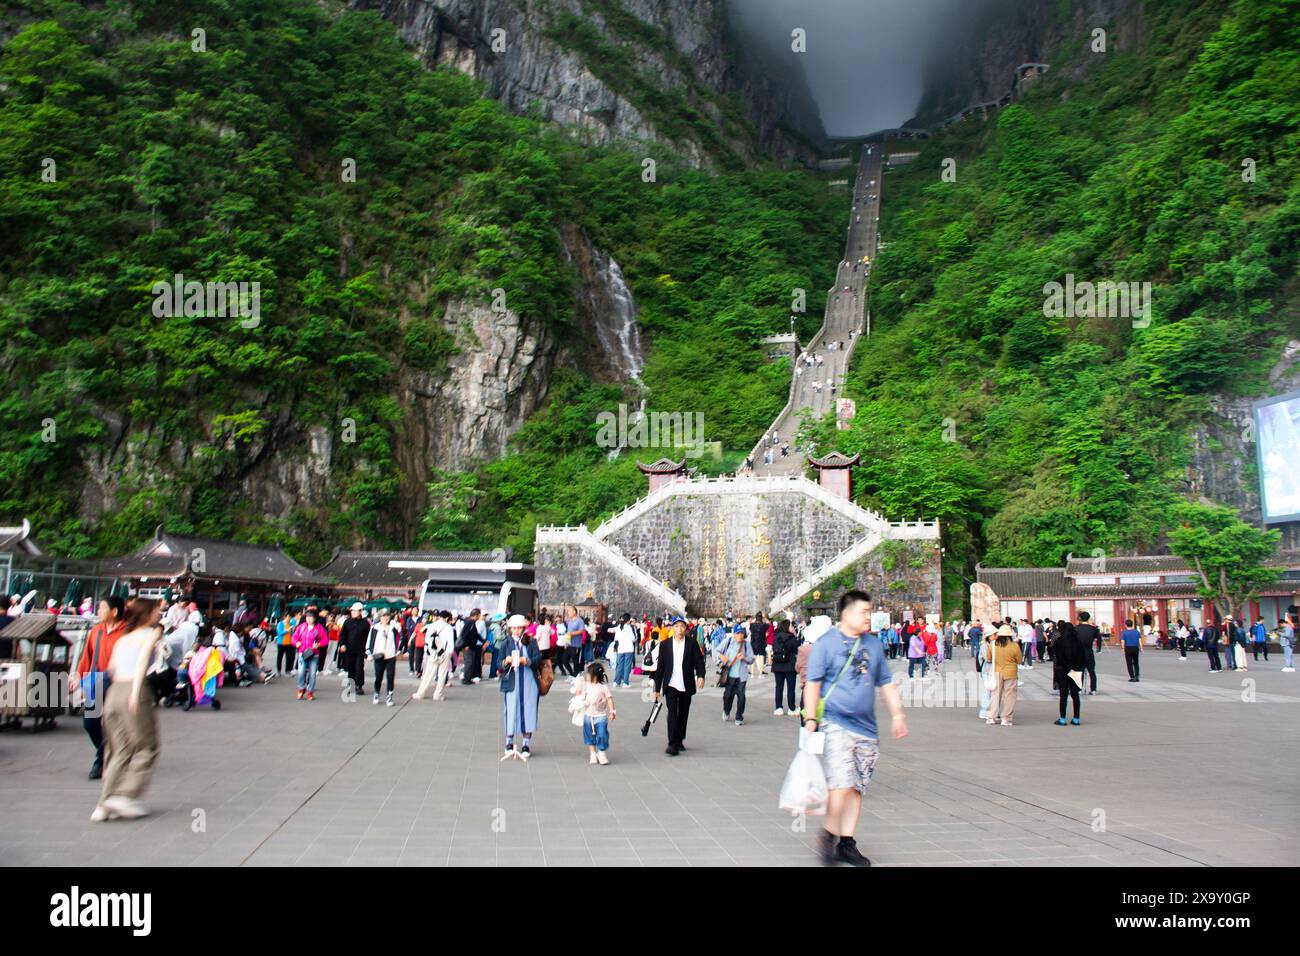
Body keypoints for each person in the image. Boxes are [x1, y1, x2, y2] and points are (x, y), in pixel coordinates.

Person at [802, 590, 906, 867]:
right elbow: (813, 683)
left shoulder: (873, 645)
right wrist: (811, 718)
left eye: (870, 612)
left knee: (856, 787)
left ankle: (846, 843)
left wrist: (897, 714)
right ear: (846, 614)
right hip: (836, 723)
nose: (868, 617)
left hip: (867, 729)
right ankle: (828, 835)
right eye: (864, 612)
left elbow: (885, 682)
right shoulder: (826, 644)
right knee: (841, 783)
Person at [91, 599, 166, 822]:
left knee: (119, 750)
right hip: (134, 689)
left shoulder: (123, 638)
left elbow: (112, 667)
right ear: (148, 613)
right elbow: (142, 661)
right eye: (156, 610)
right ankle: (126, 794)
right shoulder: (151, 634)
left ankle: (103, 804)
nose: (159, 613)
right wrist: (135, 692)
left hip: (114, 691)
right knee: (147, 747)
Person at [74, 595, 128, 780]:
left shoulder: (127, 632)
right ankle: (105, 753)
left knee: (115, 724)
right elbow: (86, 657)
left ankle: (101, 761)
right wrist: (78, 676)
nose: (98, 612)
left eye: (102, 608)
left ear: (114, 612)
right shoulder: (96, 630)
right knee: (90, 723)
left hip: (119, 684)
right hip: (96, 681)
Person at [652, 615, 707, 756]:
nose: (679, 629)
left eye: (682, 626)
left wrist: (701, 676)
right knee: (672, 714)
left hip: (686, 684)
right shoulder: (665, 645)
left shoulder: (691, 644)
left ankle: (680, 739)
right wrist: (656, 688)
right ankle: (672, 743)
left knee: (683, 714)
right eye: (676, 626)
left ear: (686, 628)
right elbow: (660, 668)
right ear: (672, 628)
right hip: (671, 684)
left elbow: (699, 662)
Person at [500, 614, 542, 761]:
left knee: (529, 711)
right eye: (515, 628)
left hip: (529, 682)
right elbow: (499, 663)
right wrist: (506, 661)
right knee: (510, 711)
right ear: (510, 629)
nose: (517, 631)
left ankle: (526, 744)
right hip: (512, 682)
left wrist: (527, 660)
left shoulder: (531, 642)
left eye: (520, 628)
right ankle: (509, 742)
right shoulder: (506, 643)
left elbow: (538, 659)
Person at [573, 661, 615, 765]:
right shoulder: (586, 685)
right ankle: (592, 753)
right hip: (588, 715)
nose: (587, 675)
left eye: (589, 673)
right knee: (589, 736)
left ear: (595, 676)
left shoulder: (603, 687)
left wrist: (612, 711)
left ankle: (601, 752)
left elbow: (609, 699)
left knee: (602, 734)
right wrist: (578, 692)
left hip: (600, 716)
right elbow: (579, 691)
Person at [413, 610, 455, 701]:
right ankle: (437, 694)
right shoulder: (449, 627)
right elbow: (451, 642)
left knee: (428, 674)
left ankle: (420, 693)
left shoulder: (432, 625)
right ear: (447, 618)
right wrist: (449, 653)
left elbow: (427, 641)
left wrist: (427, 652)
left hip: (433, 653)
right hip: (445, 653)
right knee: (442, 674)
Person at [718, 623, 754, 726]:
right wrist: (722, 657)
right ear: (734, 634)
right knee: (728, 695)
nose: (740, 635)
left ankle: (739, 717)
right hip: (729, 675)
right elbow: (716, 651)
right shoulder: (728, 641)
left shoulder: (747, 644)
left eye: (742, 633)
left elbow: (751, 659)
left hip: (741, 676)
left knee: (741, 696)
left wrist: (744, 658)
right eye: (738, 633)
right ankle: (726, 710)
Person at [986, 623, 1022, 726]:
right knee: (1010, 695)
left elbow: (988, 658)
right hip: (1010, 672)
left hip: (996, 671)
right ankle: (1006, 718)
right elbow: (1019, 660)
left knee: (995, 695)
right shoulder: (1014, 645)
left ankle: (991, 717)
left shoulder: (993, 644)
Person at [1051, 620, 1085, 726]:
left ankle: (1062, 718)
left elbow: (1057, 657)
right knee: (1075, 695)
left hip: (1062, 670)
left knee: (1063, 695)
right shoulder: (1078, 642)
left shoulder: (1058, 642)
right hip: (1075, 671)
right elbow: (1082, 658)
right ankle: (1076, 718)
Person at [367, 607, 402, 706]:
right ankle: (376, 693)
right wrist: (369, 653)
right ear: (380, 617)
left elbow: (399, 638)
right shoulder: (375, 628)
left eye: (387, 616)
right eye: (383, 616)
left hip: (390, 656)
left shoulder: (393, 628)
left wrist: (398, 650)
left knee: (390, 677)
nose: (385, 618)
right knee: (378, 677)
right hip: (379, 655)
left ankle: (389, 696)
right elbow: (370, 642)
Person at [292, 610, 328, 701]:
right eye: (307, 617)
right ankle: (301, 688)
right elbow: (294, 637)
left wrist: (319, 644)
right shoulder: (301, 627)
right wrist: (296, 643)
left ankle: (310, 691)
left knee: (312, 673)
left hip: (314, 654)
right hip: (302, 653)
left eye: (310, 617)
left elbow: (325, 640)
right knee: (301, 672)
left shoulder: (319, 628)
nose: (308, 619)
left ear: (315, 618)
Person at [338, 602, 370, 694]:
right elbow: (342, 635)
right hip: (349, 649)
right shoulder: (347, 622)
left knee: (359, 668)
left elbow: (368, 637)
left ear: (360, 611)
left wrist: (367, 650)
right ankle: (351, 685)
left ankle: (359, 686)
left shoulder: (365, 623)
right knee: (351, 668)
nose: (353, 613)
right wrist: (342, 644)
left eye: (355, 611)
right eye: (352, 611)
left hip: (360, 649)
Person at [771, 619, 799, 715]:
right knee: (791, 688)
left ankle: (779, 707)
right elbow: (796, 650)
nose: (792, 627)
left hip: (777, 664)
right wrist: (795, 636)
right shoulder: (791, 638)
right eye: (791, 626)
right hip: (789, 665)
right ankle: (791, 708)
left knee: (779, 687)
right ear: (788, 627)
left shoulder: (776, 637)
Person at [1075, 612, 1099, 695]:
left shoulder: (1076, 629)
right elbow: (1098, 639)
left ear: (1080, 618)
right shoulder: (1093, 629)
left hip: (1079, 653)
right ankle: (1093, 689)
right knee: (1091, 671)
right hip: (1089, 651)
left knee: (1079, 671)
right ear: (1088, 618)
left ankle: (1079, 689)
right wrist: (1098, 649)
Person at [611, 613, 637, 686]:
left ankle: (616, 681)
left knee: (619, 666)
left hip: (620, 649)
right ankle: (625, 683)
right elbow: (633, 638)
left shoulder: (618, 627)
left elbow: (616, 638)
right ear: (628, 620)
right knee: (627, 667)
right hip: (628, 649)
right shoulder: (629, 628)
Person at [459, 608, 483, 684]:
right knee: (468, 663)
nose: (479, 617)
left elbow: (475, 635)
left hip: (471, 646)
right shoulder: (469, 623)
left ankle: (468, 678)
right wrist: (466, 645)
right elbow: (464, 634)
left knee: (470, 663)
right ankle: (466, 679)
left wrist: (484, 641)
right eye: (479, 615)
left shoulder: (472, 623)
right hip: (468, 647)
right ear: (476, 615)